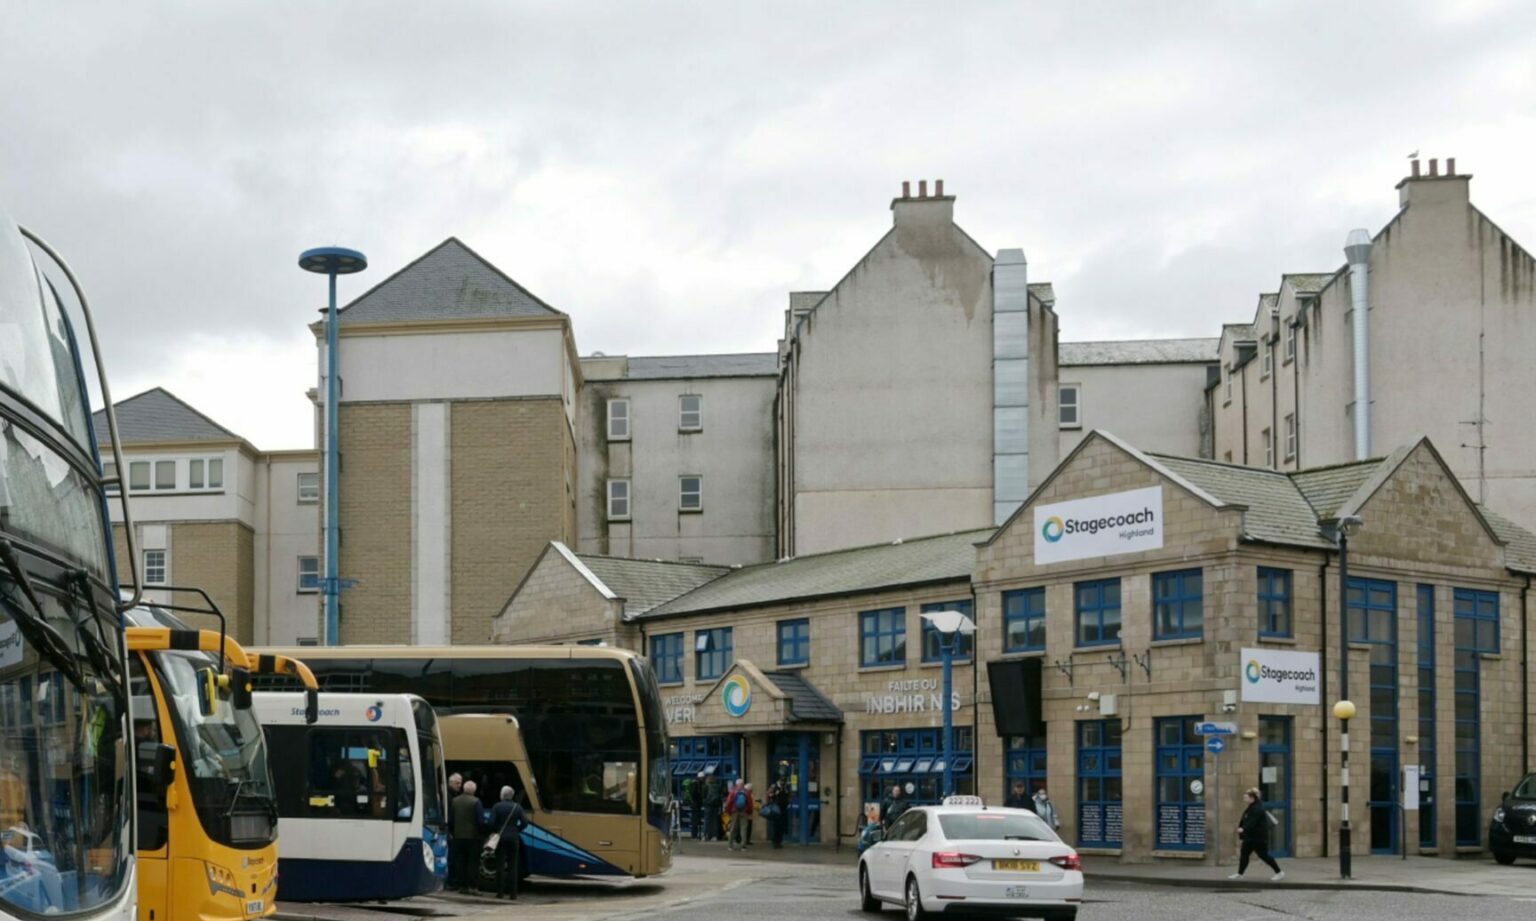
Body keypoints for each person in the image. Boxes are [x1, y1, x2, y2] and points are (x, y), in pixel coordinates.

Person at [1229, 787, 1284, 881]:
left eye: (1246, 797)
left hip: (1258, 838)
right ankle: (1240, 874)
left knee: (1264, 856)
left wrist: (1243, 829)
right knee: (1244, 855)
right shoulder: (1252, 806)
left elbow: (1252, 822)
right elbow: (1247, 819)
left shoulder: (1257, 808)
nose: (1244, 799)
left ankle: (1279, 872)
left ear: (1252, 798)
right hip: (1250, 837)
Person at [486, 786, 527, 900]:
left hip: (500, 838)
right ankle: (513, 894)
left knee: (500, 864)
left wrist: (496, 831)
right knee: (513, 866)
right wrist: (516, 829)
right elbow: (525, 822)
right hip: (514, 838)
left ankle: (500, 892)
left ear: (502, 795)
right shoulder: (517, 807)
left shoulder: (497, 806)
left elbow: (491, 823)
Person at [449, 779, 483, 892]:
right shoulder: (476, 802)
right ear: (474, 790)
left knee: (460, 862)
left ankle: (462, 886)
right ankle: (473, 886)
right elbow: (480, 821)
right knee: (473, 862)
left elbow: (451, 820)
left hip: (458, 836)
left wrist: (453, 832)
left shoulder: (455, 801)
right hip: (473, 838)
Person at [726, 780, 753, 850]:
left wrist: (729, 811)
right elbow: (750, 802)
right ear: (743, 784)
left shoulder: (733, 791)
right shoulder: (746, 792)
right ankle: (743, 846)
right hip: (744, 811)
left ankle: (730, 845)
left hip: (734, 811)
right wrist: (750, 811)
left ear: (736, 784)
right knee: (743, 828)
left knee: (733, 828)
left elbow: (729, 802)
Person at [768, 781, 790, 848]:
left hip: (783, 809)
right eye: (782, 782)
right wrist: (774, 794)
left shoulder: (786, 788)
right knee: (776, 826)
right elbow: (769, 794)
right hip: (776, 809)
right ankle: (775, 842)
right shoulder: (774, 787)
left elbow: (788, 796)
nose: (783, 783)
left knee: (781, 827)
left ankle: (779, 842)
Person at [702, 775, 724, 841]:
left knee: (707, 821)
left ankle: (705, 835)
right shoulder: (718, 786)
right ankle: (715, 836)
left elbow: (703, 796)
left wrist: (705, 802)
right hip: (716, 806)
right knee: (715, 821)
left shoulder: (705, 787)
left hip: (708, 805)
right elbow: (721, 796)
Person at [690, 772, 706, 839]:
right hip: (696, 804)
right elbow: (695, 794)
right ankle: (694, 835)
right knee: (695, 820)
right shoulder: (697, 784)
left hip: (695, 804)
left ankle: (695, 834)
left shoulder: (696, 783)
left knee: (695, 820)